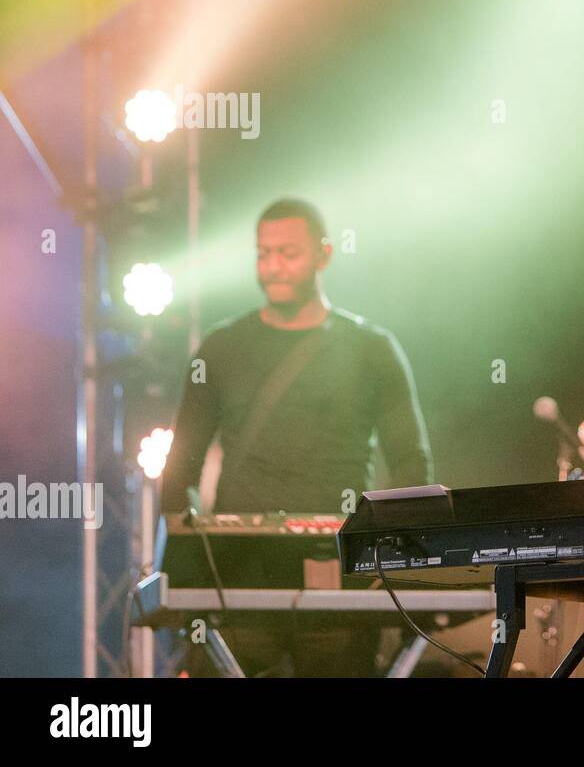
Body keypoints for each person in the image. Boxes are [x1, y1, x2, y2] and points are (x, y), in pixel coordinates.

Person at [160, 197, 434, 675]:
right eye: (263, 254)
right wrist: (189, 555)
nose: (272, 267)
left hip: (338, 573)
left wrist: (387, 559)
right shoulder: (221, 348)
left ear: (323, 255)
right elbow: (181, 464)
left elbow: (411, 463)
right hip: (236, 577)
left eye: (288, 253)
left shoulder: (373, 350)